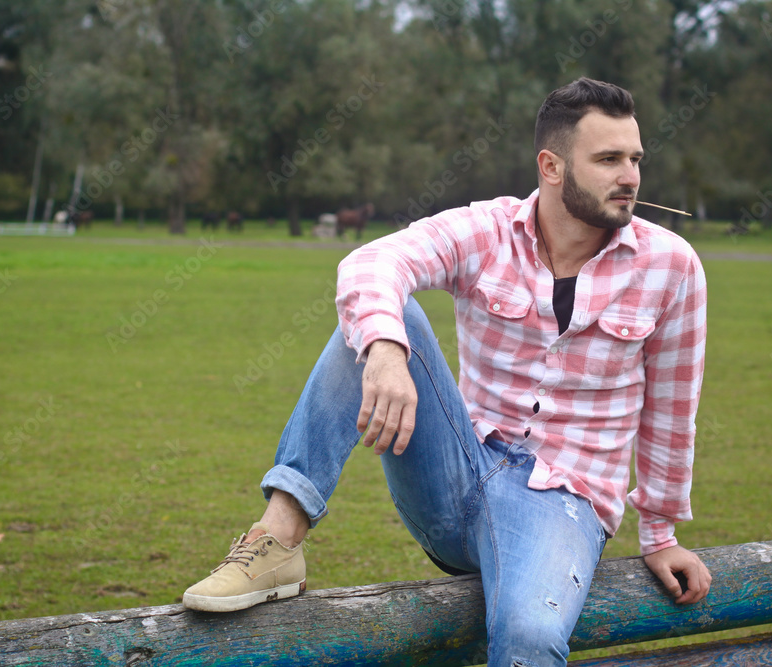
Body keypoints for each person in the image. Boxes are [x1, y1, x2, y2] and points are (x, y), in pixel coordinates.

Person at [183, 77, 712, 666]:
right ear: (552, 166)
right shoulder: (487, 230)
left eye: (635, 159)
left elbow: (672, 411)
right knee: (385, 316)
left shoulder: (672, 266)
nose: (631, 176)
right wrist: (385, 351)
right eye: (609, 159)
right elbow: (374, 261)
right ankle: (277, 538)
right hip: (455, 475)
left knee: (531, 637)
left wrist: (660, 534)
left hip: (565, 502)